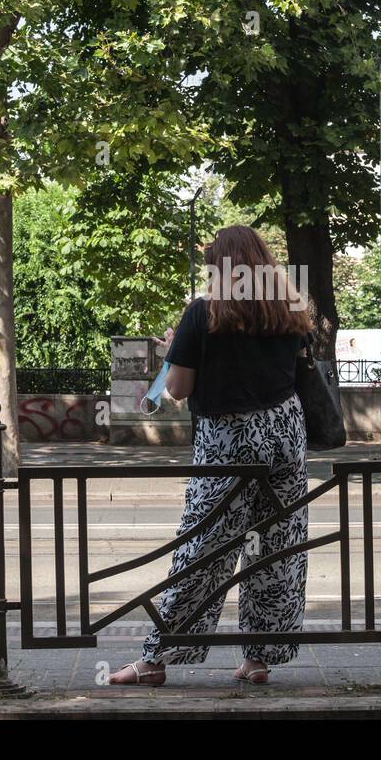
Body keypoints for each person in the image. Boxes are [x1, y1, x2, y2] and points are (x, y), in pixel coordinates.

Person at [109, 225, 313, 686]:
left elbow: (178, 388)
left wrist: (174, 349)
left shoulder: (202, 314)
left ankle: (156, 660)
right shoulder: (290, 310)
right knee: (276, 548)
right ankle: (258, 660)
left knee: (202, 549)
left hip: (229, 441)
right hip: (285, 436)